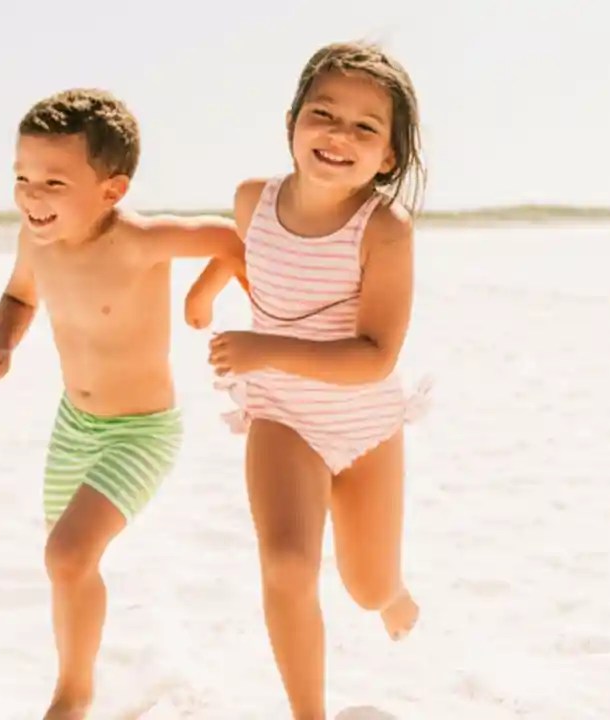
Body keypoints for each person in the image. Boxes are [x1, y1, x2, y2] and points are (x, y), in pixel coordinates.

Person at [0, 88, 242, 720]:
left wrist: (201, 300)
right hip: (74, 426)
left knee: (66, 554)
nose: (33, 196)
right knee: (66, 565)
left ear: (110, 191)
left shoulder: (141, 240)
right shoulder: (35, 241)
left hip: (141, 432)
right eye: (22, 177)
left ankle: (70, 701)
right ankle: (77, 681)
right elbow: (18, 296)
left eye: (54, 182)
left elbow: (232, 241)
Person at [184, 41, 432, 719]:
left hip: (364, 421)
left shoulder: (384, 230)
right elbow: (245, 249)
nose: (337, 135)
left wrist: (265, 345)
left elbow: (376, 355)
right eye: (322, 113)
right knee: (288, 566)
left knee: (365, 582)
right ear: (292, 121)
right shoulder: (251, 199)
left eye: (364, 127)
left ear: (388, 157)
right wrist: (205, 291)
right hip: (281, 415)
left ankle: (393, 596)